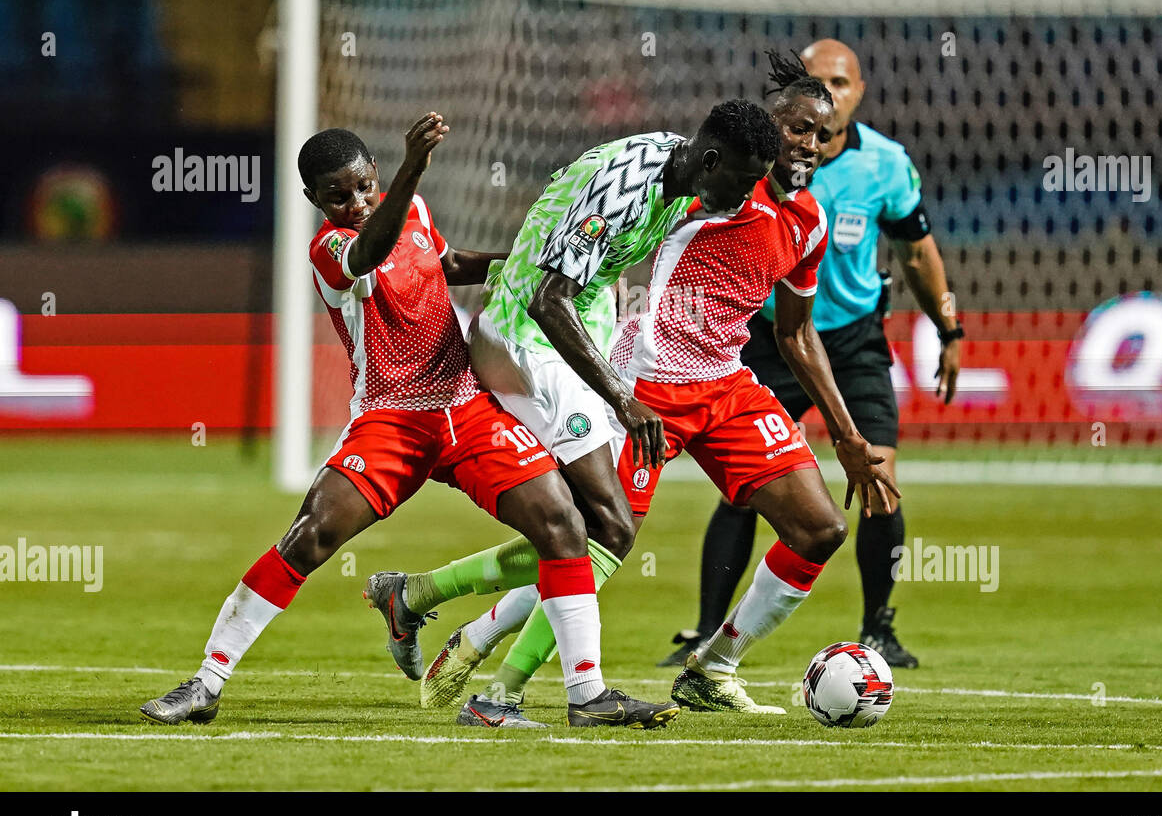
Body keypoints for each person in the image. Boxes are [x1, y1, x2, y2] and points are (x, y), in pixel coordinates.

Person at [140, 112, 676, 729]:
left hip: (466, 407)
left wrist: (524, 261)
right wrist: (411, 167)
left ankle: (587, 695)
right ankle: (206, 683)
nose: (358, 202)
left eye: (365, 185)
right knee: (311, 535)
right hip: (391, 422)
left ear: (374, 174)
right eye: (339, 196)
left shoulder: (413, 212)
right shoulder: (331, 250)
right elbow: (371, 250)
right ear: (315, 200)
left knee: (561, 524)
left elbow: (445, 265)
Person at [409, 58, 898, 726]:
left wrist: (846, 435)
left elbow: (796, 334)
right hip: (643, 379)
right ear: (766, 130)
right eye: (795, 129)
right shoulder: (707, 189)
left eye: (823, 134)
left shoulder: (808, 222)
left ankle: (715, 666)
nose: (808, 145)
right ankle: (485, 656)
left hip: (726, 385)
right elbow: (603, 233)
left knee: (820, 529)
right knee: (599, 543)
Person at [661, 39, 962, 671]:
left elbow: (916, 249)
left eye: (840, 84)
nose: (813, 133)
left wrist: (948, 328)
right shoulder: (750, 169)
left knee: (877, 478)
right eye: (815, 87)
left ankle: (878, 626)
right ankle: (705, 632)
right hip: (766, 338)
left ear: (859, 92)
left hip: (851, 339)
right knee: (741, 492)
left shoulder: (884, 165)